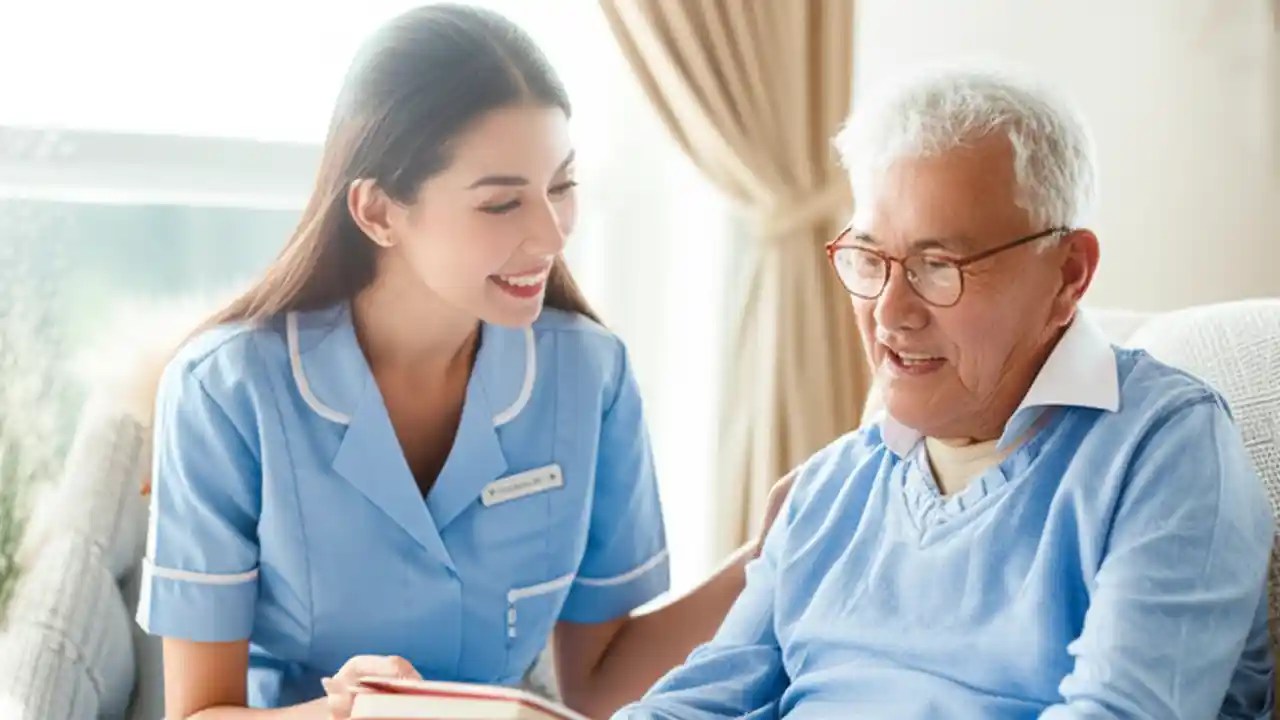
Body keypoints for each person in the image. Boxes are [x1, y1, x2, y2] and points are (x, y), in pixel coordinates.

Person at [136, 5, 778, 719]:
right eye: (503, 202)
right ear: (378, 211)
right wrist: (351, 714)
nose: (550, 233)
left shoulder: (591, 378)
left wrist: (768, 556)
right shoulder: (224, 392)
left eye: (560, 187)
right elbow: (197, 713)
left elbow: (597, 683)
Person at [614, 68, 1275, 719]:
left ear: (1068, 274)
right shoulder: (831, 485)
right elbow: (695, 703)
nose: (889, 311)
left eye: (938, 267)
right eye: (870, 261)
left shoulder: (1168, 451)